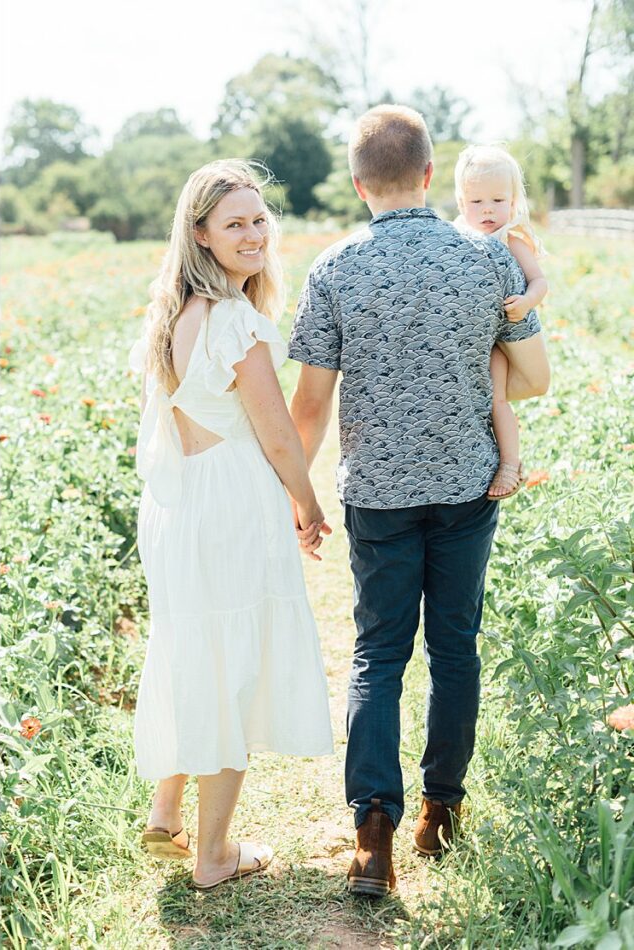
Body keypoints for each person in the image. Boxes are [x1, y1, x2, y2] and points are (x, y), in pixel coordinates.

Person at [287, 105, 550, 897]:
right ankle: (442, 810)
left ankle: (373, 837)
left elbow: (307, 407)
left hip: (378, 494)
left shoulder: (333, 267)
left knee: (378, 654)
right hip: (468, 483)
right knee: (456, 648)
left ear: (358, 181)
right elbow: (536, 377)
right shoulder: (488, 259)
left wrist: (296, 499)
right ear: (433, 175)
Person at [129, 159, 335, 891]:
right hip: (226, 502)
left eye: (258, 219)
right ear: (201, 234)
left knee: (196, 642)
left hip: (180, 503)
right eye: (235, 224)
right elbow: (277, 432)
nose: (253, 234)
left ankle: (167, 809)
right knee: (234, 663)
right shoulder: (233, 319)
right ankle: (215, 855)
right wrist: (306, 504)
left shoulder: (174, 315)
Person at [453, 144, 550, 499]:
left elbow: (540, 281)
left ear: (513, 201)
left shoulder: (511, 237)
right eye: (477, 202)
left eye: (498, 200)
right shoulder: (457, 235)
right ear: (462, 203)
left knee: (496, 399)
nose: (488, 210)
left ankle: (510, 464)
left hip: (505, 337)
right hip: (471, 333)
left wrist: (525, 302)